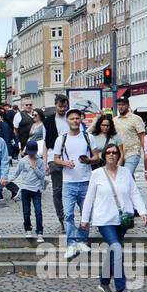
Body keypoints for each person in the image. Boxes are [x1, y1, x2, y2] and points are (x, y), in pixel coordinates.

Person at [81, 141, 147, 292]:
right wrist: (85, 218)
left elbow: (134, 193)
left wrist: (143, 211)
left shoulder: (125, 172)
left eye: (114, 152)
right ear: (104, 156)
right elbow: (89, 197)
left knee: (113, 251)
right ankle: (122, 288)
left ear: (118, 155)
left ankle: (104, 282)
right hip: (104, 219)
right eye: (108, 152)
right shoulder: (97, 174)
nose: (111, 155)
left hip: (123, 218)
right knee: (117, 248)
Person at [54, 107, 94, 259]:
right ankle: (71, 243)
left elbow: (96, 156)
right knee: (69, 214)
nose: (75, 121)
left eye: (77, 118)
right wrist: (65, 163)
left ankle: (82, 239)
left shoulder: (88, 137)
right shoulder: (62, 138)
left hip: (85, 180)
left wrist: (89, 160)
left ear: (81, 119)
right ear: (67, 121)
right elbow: (56, 158)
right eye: (72, 119)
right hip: (68, 182)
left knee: (86, 213)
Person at [43, 93, 71, 232]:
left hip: (69, 157)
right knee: (57, 190)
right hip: (53, 158)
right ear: (55, 105)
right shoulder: (48, 121)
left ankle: (69, 216)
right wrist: (45, 162)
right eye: (60, 106)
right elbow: (45, 143)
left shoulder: (71, 119)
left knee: (71, 189)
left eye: (64, 106)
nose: (62, 109)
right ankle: (62, 219)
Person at [10, 139, 46, 240]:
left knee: (38, 211)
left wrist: (35, 168)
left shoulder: (40, 162)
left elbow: (42, 176)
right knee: (26, 211)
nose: (31, 155)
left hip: (36, 189)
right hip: (25, 188)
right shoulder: (23, 161)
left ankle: (39, 231)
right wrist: (7, 180)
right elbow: (16, 173)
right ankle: (28, 229)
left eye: (33, 153)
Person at [113, 99, 146, 178]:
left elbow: (142, 137)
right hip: (119, 153)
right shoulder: (114, 120)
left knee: (126, 175)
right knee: (127, 178)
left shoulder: (136, 118)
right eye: (119, 105)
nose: (121, 107)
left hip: (132, 152)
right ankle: (133, 190)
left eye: (123, 105)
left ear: (128, 105)